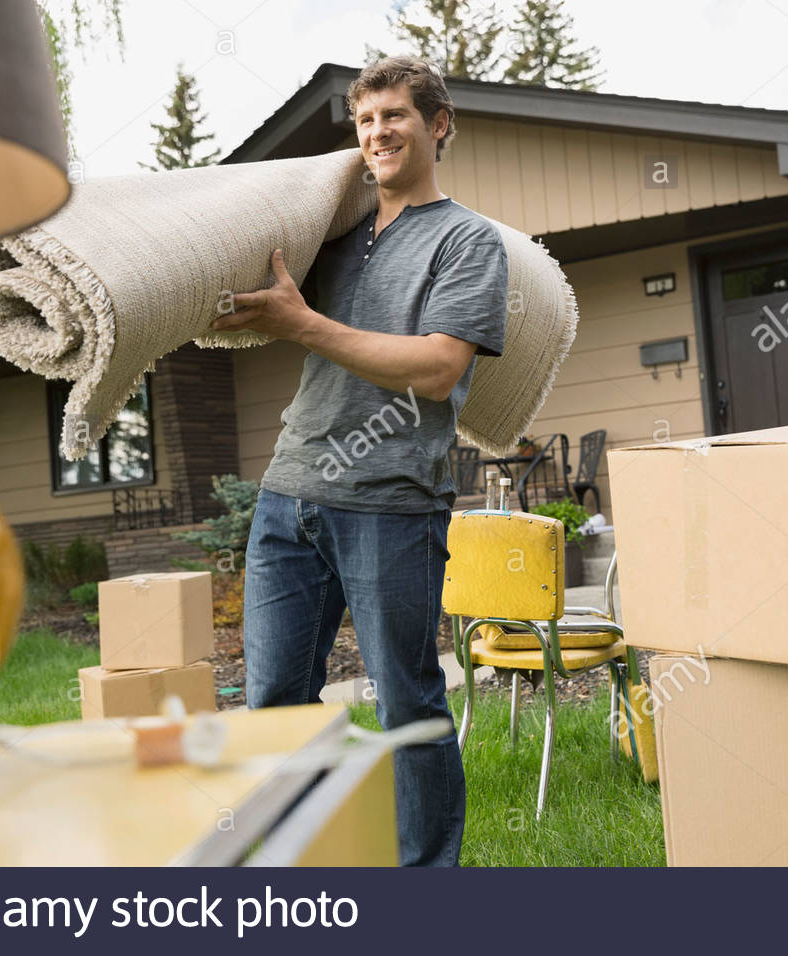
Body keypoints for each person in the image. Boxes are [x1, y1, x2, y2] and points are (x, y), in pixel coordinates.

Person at [210, 55, 508, 867]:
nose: (378, 132)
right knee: (276, 703)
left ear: (439, 125)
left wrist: (303, 325)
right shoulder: (330, 237)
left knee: (407, 703)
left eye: (396, 116)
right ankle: (314, 871)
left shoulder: (468, 242)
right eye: (367, 119)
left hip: (392, 503)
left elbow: (439, 369)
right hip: (288, 494)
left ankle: (425, 882)